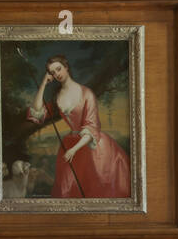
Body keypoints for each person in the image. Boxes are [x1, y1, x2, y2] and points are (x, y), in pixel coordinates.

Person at [27, 54, 131, 199]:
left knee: (96, 187)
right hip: (70, 144)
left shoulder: (86, 93)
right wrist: (43, 84)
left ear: (66, 67)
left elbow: (92, 127)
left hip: (93, 147)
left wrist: (74, 149)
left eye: (59, 69)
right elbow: (37, 113)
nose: (57, 74)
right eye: (53, 72)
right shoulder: (56, 97)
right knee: (68, 188)